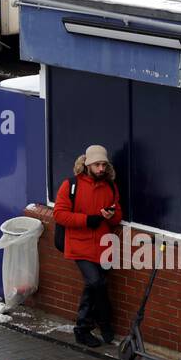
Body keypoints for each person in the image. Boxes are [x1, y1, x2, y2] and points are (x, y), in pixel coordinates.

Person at [53, 145, 122, 348]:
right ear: (87, 164)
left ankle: (91, 327)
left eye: (104, 165)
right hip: (79, 245)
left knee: (93, 286)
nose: (101, 168)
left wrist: (111, 215)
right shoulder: (70, 185)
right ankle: (90, 327)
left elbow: (118, 214)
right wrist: (86, 220)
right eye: (97, 165)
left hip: (102, 245)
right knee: (96, 283)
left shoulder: (110, 186)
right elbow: (59, 214)